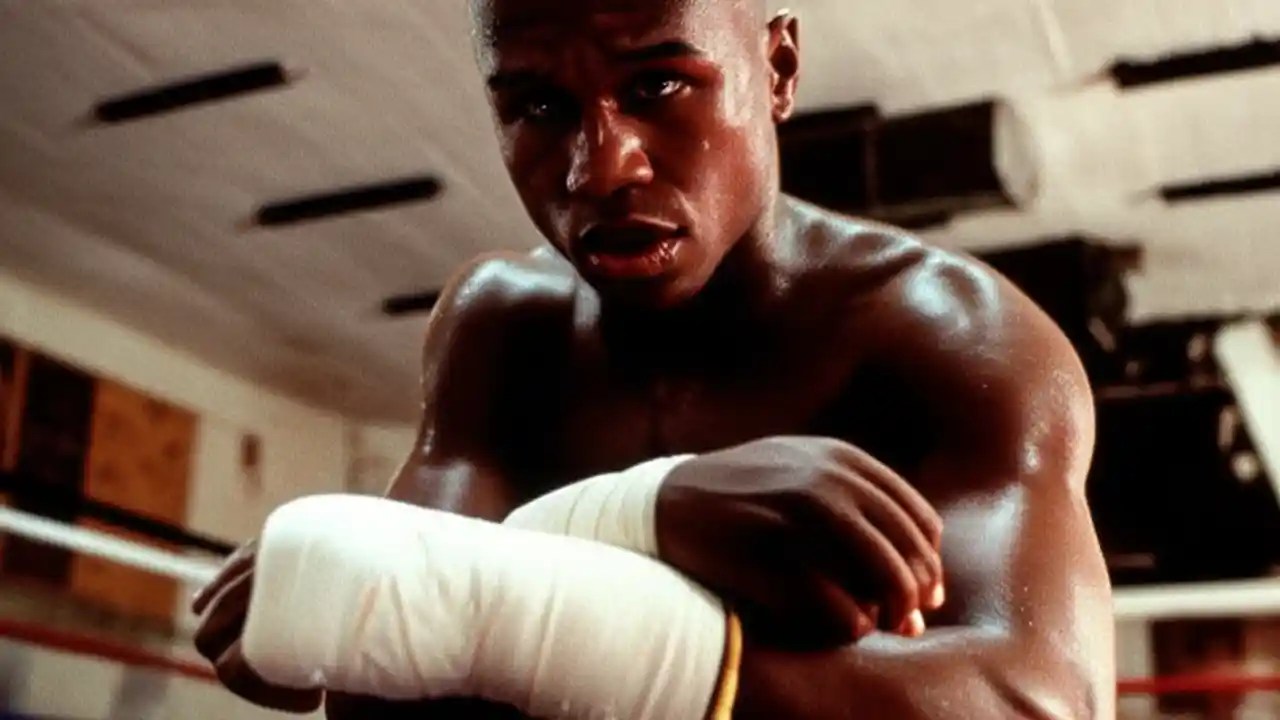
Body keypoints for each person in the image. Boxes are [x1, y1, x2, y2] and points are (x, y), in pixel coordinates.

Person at [193, 0, 1115, 717]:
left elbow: (1034, 706)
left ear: (778, 65)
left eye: (658, 86)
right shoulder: (501, 328)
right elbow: (383, 695)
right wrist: (651, 516)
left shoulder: (950, 338)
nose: (598, 168)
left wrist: (486, 579)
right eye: (540, 106)